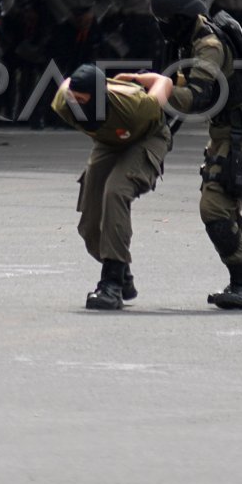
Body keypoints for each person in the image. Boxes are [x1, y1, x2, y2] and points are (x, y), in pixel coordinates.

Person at [151, 0, 242, 310]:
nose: (163, 27)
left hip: (240, 130)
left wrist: (158, 94)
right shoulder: (189, 38)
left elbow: (198, 97)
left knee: (215, 207)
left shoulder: (209, 45)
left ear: (183, 16)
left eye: (167, 20)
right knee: (226, 205)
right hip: (227, 129)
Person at [51, 63, 173, 310]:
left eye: (83, 101)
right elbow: (68, 86)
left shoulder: (135, 105)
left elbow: (166, 83)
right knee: (90, 224)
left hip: (146, 138)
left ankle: (112, 283)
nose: (77, 106)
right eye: (74, 100)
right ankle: (121, 272)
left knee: (116, 191)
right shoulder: (64, 102)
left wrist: (138, 78)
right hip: (109, 141)